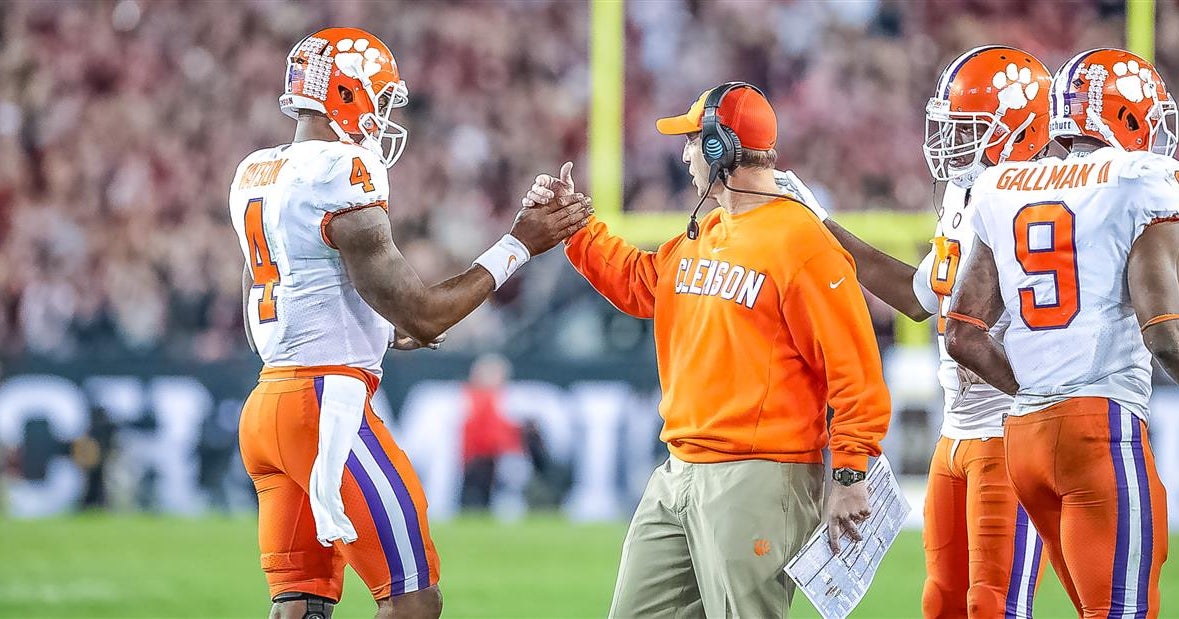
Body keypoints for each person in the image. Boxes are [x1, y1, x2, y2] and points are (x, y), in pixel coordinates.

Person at [231, 28, 591, 619]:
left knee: (299, 606)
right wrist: (520, 244)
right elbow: (424, 316)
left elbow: (270, 309)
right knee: (413, 599)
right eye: (378, 97)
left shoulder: (255, 172)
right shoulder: (341, 169)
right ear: (347, 95)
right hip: (328, 409)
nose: (384, 114)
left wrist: (369, 327)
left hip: (269, 405)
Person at [525, 82, 891, 618]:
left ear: (721, 148)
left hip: (759, 475)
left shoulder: (803, 242)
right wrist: (577, 230)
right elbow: (644, 284)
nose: (685, 154)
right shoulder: (711, 228)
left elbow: (855, 371)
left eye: (695, 141)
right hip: (679, 469)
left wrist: (850, 474)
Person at [787, 46, 1051, 618]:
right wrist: (821, 227)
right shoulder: (967, 195)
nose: (951, 140)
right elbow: (917, 297)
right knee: (943, 602)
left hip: (1010, 434)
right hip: (956, 430)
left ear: (1019, 129)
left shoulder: (1034, 200)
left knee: (995, 605)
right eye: (950, 125)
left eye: (969, 128)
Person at [946, 47, 1178, 618]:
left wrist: (1035, 385)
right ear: (1125, 116)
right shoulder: (1140, 178)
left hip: (1024, 437)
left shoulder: (1002, 184)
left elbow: (962, 331)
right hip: (1100, 429)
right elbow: (1165, 334)